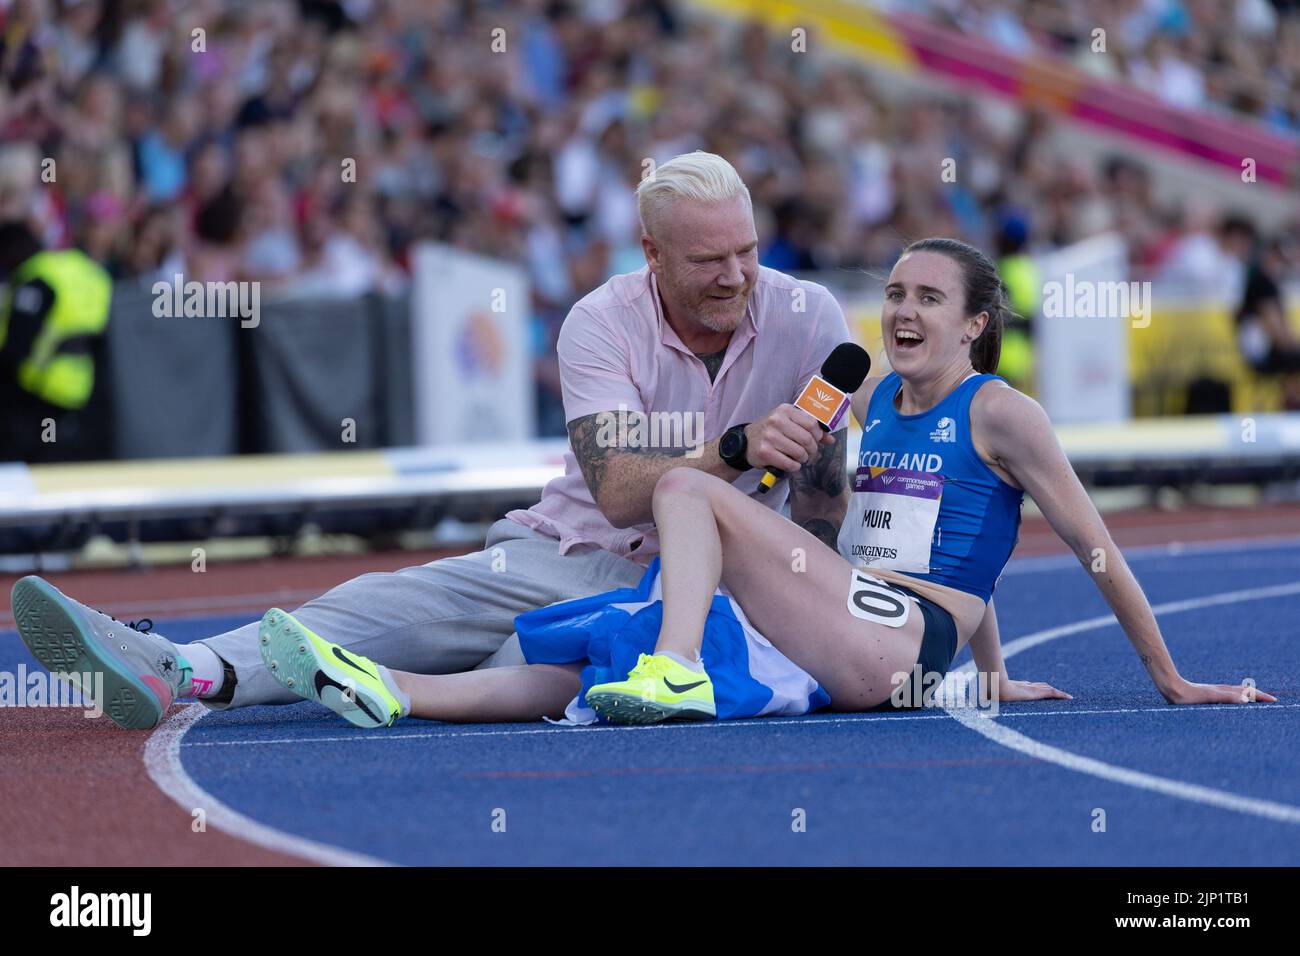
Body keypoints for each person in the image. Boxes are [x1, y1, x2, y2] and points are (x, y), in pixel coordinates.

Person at [238, 237, 1276, 729]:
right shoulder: (872, 407)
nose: (901, 311)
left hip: (894, 639)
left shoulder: (1003, 411)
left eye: (927, 298)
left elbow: (1086, 542)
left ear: (973, 325)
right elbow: (963, 545)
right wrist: (992, 673)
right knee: (611, 645)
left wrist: (1171, 677)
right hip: (851, 623)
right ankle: (394, 688)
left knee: (689, 493)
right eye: (894, 294)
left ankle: (680, 667)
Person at [10, 150, 853, 730]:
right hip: (577, 549)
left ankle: (396, 687)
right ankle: (186, 670)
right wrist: (736, 447)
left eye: (746, 251)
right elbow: (623, 491)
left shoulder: (807, 314)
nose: (737, 276)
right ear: (651, 254)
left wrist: (802, 596)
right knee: (399, 605)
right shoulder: (602, 320)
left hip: (722, 579)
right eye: (709, 260)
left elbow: (822, 489)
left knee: (495, 676)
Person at [0, 220, 114, 463]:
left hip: (38, 394)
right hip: (83, 393)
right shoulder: (85, 271)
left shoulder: (35, 277)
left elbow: (17, 348)